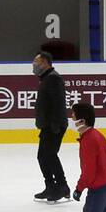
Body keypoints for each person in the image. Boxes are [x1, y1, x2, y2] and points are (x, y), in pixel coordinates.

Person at [32, 47, 69, 203]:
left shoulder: (53, 79)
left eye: (36, 62)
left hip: (55, 125)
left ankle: (62, 187)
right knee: (42, 156)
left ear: (45, 63)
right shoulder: (46, 78)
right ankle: (50, 185)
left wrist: (54, 124)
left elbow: (58, 103)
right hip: (48, 125)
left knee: (50, 155)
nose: (34, 64)